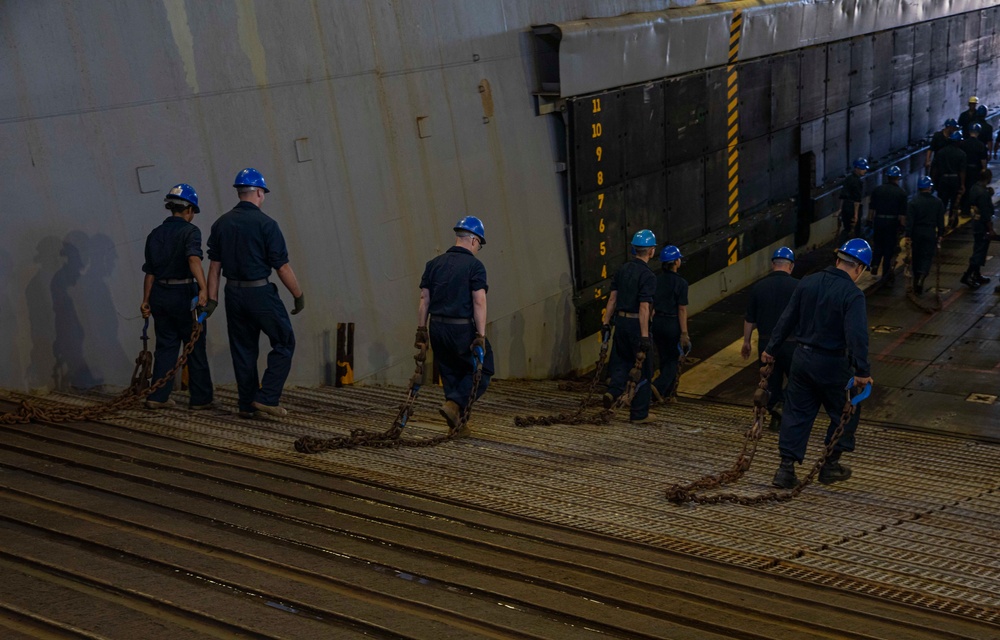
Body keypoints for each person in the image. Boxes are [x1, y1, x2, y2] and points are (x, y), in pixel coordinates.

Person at [763, 239, 873, 489]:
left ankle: (785, 470)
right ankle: (830, 465)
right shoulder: (853, 294)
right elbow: (857, 335)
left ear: (838, 260)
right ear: (859, 269)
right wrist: (863, 371)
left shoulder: (807, 282)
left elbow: (787, 318)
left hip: (801, 359)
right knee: (846, 411)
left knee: (796, 412)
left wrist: (771, 350)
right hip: (832, 364)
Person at [206, 168, 304, 418]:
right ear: (259, 192)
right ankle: (268, 398)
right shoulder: (267, 224)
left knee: (243, 349)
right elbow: (281, 267)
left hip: (232, 294)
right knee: (284, 341)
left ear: (240, 193)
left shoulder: (221, 224)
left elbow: (214, 268)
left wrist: (212, 300)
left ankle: (247, 403)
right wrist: (297, 294)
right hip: (259, 292)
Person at [416, 216, 495, 436]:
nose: (478, 248)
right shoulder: (475, 266)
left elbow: (424, 299)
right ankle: (454, 405)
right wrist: (480, 334)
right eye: (479, 244)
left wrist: (421, 330)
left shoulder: (433, 264)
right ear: (473, 240)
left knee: (450, 371)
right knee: (485, 366)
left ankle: (458, 424)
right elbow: (479, 300)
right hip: (461, 329)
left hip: (437, 327)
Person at [139, 183, 214, 410]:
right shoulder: (190, 232)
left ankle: (157, 396)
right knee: (194, 344)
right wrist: (203, 289)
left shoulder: (155, 234)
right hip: (184, 295)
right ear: (189, 209)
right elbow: (193, 260)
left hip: (160, 295)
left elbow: (150, 272)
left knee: (165, 345)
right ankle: (201, 399)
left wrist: (145, 300)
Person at [602, 230, 657, 423]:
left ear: (634, 249)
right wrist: (644, 337)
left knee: (621, 361)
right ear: (651, 251)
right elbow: (644, 307)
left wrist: (606, 323)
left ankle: (613, 391)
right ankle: (639, 414)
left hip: (620, 322)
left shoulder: (622, 270)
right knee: (644, 368)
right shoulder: (648, 276)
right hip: (636, 324)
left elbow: (612, 299)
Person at [741, 247, 798, 431]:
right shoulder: (799, 287)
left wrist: (747, 342)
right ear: (791, 266)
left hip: (766, 344)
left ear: (773, 264)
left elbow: (750, 319)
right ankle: (786, 412)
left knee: (770, 384)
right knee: (798, 380)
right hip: (791, 344)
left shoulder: (759, 287)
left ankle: (775, 416)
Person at [650, 245, 690, 404]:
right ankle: (658, 387)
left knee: (664, 356)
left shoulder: (655, 280)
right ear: (676, 262)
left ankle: (667, 393)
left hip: (657, 322)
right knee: (673, 359)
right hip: (672, 323)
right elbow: (681, 309)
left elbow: (650, 304)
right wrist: (684, 333)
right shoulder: (681, 283)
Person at [904, 176, 946, 295]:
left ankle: (916, 280)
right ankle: (922, 277)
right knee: (927, 257)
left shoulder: (913, 202)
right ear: (930, 187)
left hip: (916, 233)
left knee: (916, 256)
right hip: (930, 232)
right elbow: (940, 221)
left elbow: (910, 222)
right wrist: (940, 234)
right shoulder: (937, 202)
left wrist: (908, 236)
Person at [866, 165, 908, 284]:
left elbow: (872, 208)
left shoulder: (877, 190)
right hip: (892, 222)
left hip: (878, 221)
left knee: (878, 244)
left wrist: (870, 221)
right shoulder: (901, 193)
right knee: (889, 248)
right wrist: (902, 227)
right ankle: (885, 272)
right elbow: (902, 215)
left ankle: (874, 264)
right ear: (898, 178)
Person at [962, 169, 995, 289]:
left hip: (976, 223)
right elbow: (986, 213)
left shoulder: (975, 188)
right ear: (989, 178)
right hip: (982, 225)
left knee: (978, 248)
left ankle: (977, 274)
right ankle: (967, 276)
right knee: (980, 251)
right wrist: (990, 229)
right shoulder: (983, 193)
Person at [930, 131, 966, 229]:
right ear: (958, 142)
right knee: (954, 203)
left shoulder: (941, 152)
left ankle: (939, 223)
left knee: (943, 202)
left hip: (943, 180)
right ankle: (952, 222)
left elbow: (935, 168)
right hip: (955, 180)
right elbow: (962, 171)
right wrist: (962, 184)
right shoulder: (961, 154)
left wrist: (933, 181)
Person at [838, 158, 868, 245]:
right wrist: (856, 214)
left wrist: (840, 209)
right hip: (852, 207)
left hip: (845, 206)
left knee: (846, 228)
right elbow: (857, 199)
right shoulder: (858, 181)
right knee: (857, 229)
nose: (865, 171)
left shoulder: (848, 178)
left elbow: (842, 195)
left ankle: (841, 246)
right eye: (863, 169)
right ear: (857, 169)